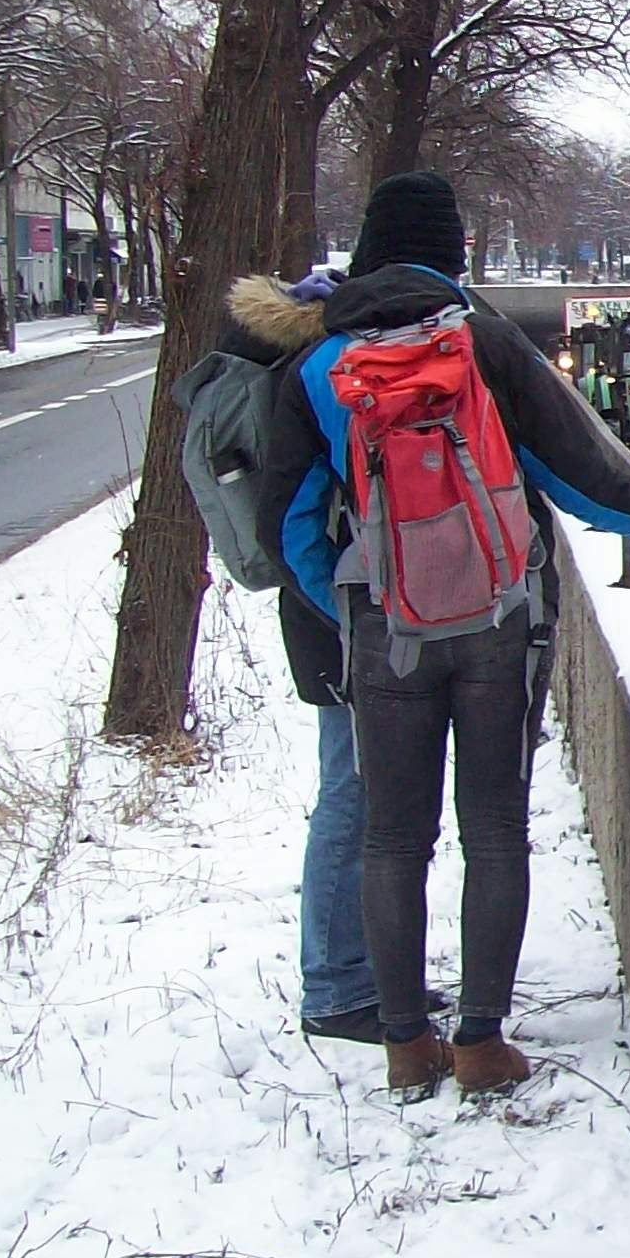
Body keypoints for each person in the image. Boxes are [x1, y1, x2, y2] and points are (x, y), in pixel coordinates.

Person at [252, 172, 630, 1102]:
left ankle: (405, 1043)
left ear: (371, 251)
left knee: (392, 837)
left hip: (386, 627)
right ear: (456, 253)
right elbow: (574, 469)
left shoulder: (317, 363)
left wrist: (350, 607)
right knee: (493, 830)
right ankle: (483, 1042)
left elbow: (286, 523)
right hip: (500, 619)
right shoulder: (486, 342)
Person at [220, 265, 384, 1044]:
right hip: (334, 615)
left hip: (324, 611)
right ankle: (335, 988)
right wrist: (354, 620)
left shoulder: (290, 362)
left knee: (357, 794)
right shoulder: (314, 375)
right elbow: (292, 523)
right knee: (350, 798)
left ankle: (353, 975)